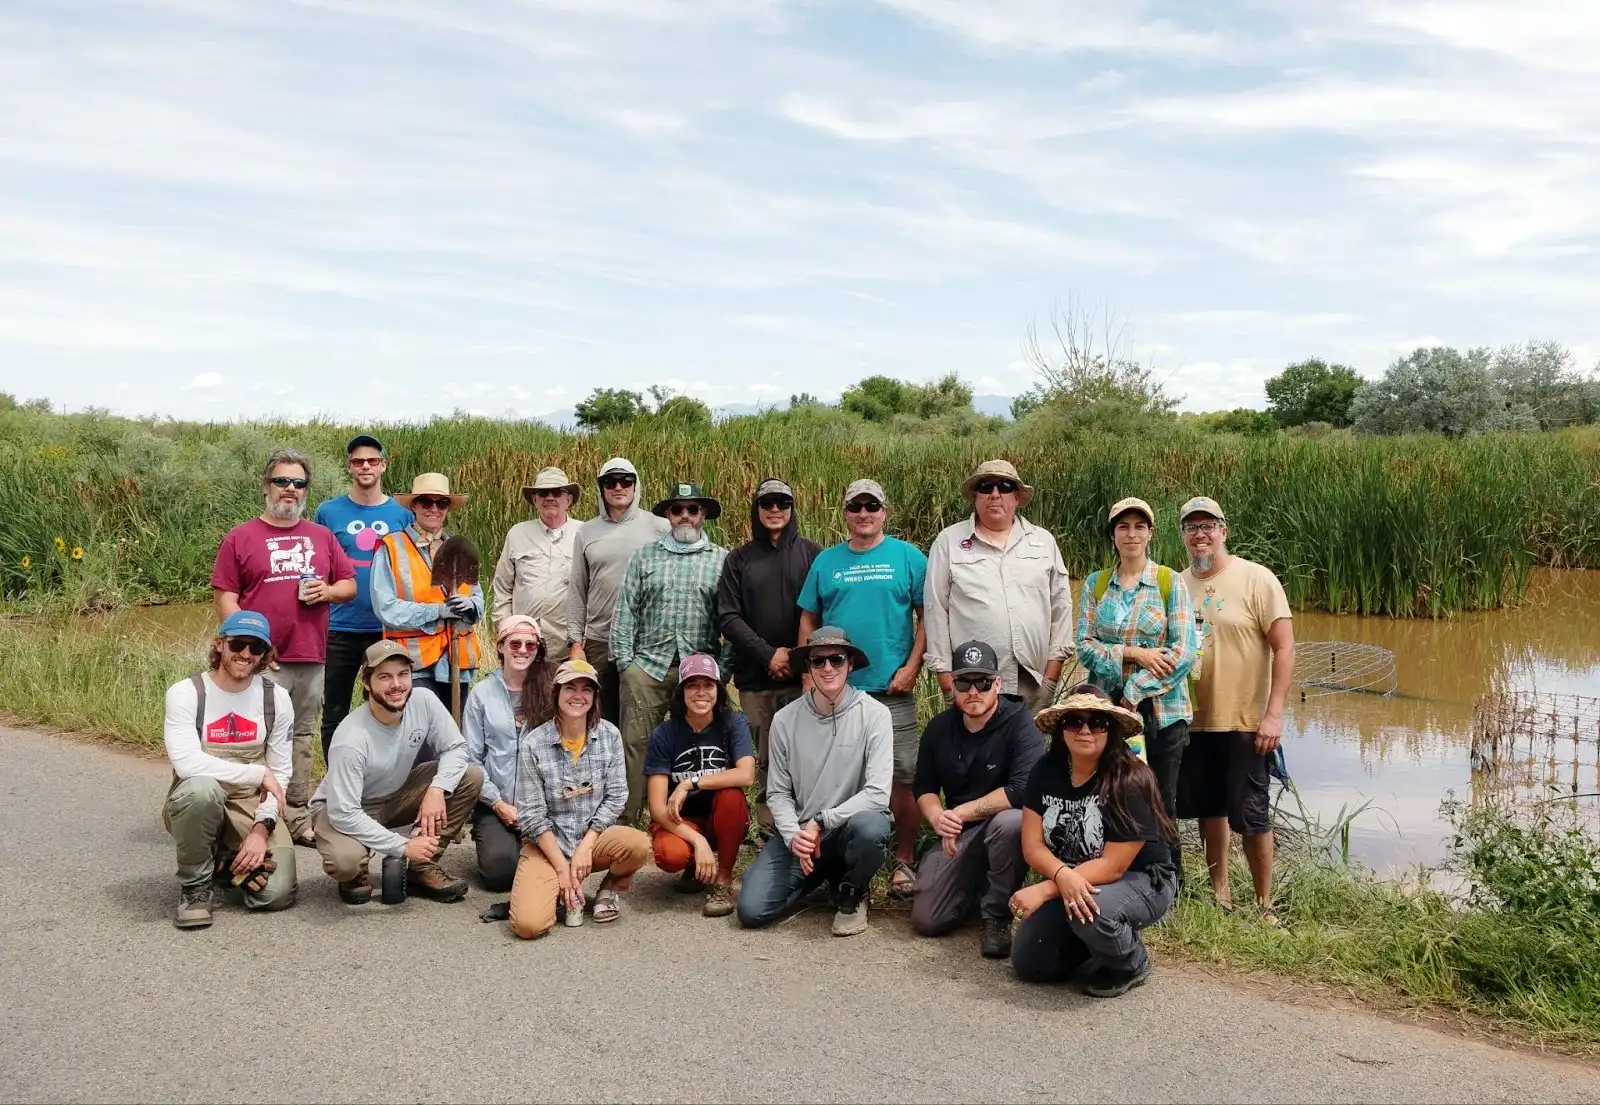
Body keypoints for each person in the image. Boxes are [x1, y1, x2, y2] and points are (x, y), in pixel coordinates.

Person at [212, 448, 356, 846]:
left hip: (309, 656)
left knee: (301, 739)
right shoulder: (240, 537)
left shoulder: (321, 536)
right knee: (251, 737)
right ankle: (245, 816)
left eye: (298, 483)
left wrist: (326, 590)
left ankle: (296, 817)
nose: (290, 489)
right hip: (258, 662)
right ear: (266, 486)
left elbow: (349, 585)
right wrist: (244, 649)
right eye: (282, 481)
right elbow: (226, 595)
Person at [797, 478, 926, 897]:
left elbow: (929, 618)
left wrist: (912, 666)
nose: (864, 513)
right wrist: (808, 672)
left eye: (872, 506)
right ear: (846, 513)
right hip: (839, 691)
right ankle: (846, 863)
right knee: (843, 775)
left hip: (893, 688)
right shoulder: (827, 562)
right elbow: (808, 620)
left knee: (902, 776)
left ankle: (904, 859)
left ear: (884, 511)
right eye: (856, 506)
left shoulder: (907, 557)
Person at [1010, 685, 1179, 998]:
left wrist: (1049, 887)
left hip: (1140, 879)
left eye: (1097, 722)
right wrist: (1063, 876)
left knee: (1095, 912)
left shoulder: (1129, 778)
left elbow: (1114, 866)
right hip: (1075, 876)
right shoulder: (1045, 770)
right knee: (1029, 963)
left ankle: (1131, 959)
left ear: (1110, 729)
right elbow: (1032, 845)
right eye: (1073, 721)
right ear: (1061, 730)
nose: (1085, 730)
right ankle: (1096, 944)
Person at [1177, 496, 1295, 920]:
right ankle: (1220, 894)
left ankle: (1265, 906)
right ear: (1183, 537)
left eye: (1209, 525)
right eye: (1192, 527)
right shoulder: (1174, 584)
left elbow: (1284, 648)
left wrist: (1274, 713)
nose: (1200, 534)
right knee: (1210, 810)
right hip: (1192, 721)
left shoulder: (1257, 579)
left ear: (1224, 531)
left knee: (1253, 815)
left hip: (1246, 721)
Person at [736, 626, 893, 937]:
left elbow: (877, 795)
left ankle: (853, 891)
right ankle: (819, 873)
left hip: (845, 828)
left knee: (871, 828)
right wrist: (796, 836)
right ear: (807, 667)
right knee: (751, 911)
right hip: (803, 831)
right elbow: (778, 792)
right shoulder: (785, 720)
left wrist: (822, 822)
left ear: (850, 664)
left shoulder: (875, 715)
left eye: (836, 659)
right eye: (818, 662)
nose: (828, 668)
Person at [311, 640, 484, 904]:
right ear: (367, 683)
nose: (396, 685)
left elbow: (456, 748)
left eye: (403, 674)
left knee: (469, 776)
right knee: (345, 862)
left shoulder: (424, 701)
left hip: (396, 793)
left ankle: (422, 865)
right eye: (385, 677)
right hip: (344, 806)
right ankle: (356, 872)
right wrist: (401, 845)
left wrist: (438, 789)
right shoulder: (351, 738)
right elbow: (344, 812)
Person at [161, 610, 297, 928]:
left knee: (276, 894)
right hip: (199, 799)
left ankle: (224, 864)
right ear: (220, 645)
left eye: (256, 648)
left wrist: (261, 833)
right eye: (237, 644)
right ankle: (195, 887)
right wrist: (256, 773)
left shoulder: (276, 699)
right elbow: (186, 762)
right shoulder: (186, 693)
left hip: (250, 803)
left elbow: (280, 774)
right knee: (202, 789)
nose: (246, 654)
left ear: (266, 654)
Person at [911, 639, 1044, 959]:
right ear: (953, 684)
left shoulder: (1021, 722)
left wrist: (958, 813)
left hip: (1003, 826)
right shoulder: (939, 728)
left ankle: (997, 916)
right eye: (964, 682)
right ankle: (978, 891)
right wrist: (938, 819)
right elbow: (923, 787)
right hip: (960, 832)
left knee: (1010, 823)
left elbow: (1022, 790)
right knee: (928, 920)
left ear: (998, 683)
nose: (974, 691)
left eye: (983, 682)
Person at [611, 480, 730, 824]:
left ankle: (686, 822)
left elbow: (732, 619)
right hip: (648, 666)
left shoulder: (721, 560)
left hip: (700, 673)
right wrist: (625, 664)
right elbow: (626, 611)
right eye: (677, 510)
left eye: (692, 510)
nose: (685, 517)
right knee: (635, 745)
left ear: (702, 514)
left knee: (698, 748)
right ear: (668, 515)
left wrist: (724, 669)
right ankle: (627, 821)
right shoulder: (645, 556)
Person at [508, 660, 652, 938]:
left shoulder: (609, 735)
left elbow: (617, 795)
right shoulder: (533, 743)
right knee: (528, 926)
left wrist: (587, 846)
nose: (578, 696)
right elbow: (532, 815)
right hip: (547, 847)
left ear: (595, 697)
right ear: (556, 694)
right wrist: (563, 868)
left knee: (638, 845)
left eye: (587, 689)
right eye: (570, 688)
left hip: (593, 840)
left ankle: (608, 889)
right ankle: (558, 889)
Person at [1075, 497, 1198, 823]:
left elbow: (1184, 652)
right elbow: (1085, 646)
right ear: (1112, 535)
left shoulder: (1170, 582)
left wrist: (1135, 690)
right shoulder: (1095, 584)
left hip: (1164, 714)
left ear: (1150, 533)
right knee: (1109, 797)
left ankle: (1165, 873)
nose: (1132, 534)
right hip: (1106, 712)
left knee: (1161, 803)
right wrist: (1132, 654)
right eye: (1123, 527)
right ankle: (1111, 870)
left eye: (1139, 527)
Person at [715, 478, 820, 834]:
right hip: (756, 678)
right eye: (767, 503)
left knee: (805, 754)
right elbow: (728, 616)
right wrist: (767, 655)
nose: (775, 510)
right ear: (756, 510)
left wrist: (795, 660)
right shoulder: (738, 559)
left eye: (782, 503)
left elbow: (822, 611)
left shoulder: (812, 554)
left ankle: (807, 826)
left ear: (791, 509)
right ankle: (769, 829)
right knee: (765, 757)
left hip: (804, 680)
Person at [925, 459, 1072, 713]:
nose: (995, 494)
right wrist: (948, 683)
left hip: (1033, 681)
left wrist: (1051, 678)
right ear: (975, 497)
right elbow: (935, 610)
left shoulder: (1043, 541)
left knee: (1028, 752)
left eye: (1004, 487)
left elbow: (1061, 608)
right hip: (972, 685)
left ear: (1016, 497)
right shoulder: (948, 542)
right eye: (986, 487)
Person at [313, 434, 414, 761]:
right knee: (336, 710)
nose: (366, 466)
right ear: (350, 467)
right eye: (358, 461)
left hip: (387, 629)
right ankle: (334, 782)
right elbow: (319, 567)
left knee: (388, 706)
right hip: (340, 628)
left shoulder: (401, 513)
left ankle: (383, 778)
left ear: (383, 465)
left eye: (372, 460)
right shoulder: (328, 511)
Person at [644, 653, 756, 918]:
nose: (701, 692)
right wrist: (698, 841)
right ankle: (695, 865)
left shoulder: (733, 722)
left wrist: (690, 782)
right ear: (682, 691)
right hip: (681, 820)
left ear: (718, 689)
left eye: (708, 685)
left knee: (731, 796)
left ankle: (723, 880)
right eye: (693, 685)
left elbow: (746, 775)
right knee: (669, 855)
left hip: (722, 817)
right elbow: (657, 807)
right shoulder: (665, 733)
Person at [567, 457, 670, 724]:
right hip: (600, 641)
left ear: (636, 486)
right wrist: (576, 644)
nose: (618, 487)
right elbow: (578, 590)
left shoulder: (659, 527)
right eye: (610, 482)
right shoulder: (586, 532)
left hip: (645, 641)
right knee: (600, 719)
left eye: (626, 481)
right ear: (601, 488)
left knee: (641, 721)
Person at [370, 472, 485, 708]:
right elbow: (385, 607)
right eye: (426, 502)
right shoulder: (391, 546)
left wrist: (471, 606)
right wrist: (437, 611)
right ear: (414, 505)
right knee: (421, 737)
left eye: (441, 503)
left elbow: (479, 599)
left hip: (456, 661)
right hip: (412, 665)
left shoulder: (460, 549)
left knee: (454, 734)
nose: (434, 509)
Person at [462, 615, 556, 893]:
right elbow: (472, 759)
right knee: (499, 876)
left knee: (553, 860)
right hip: (496, 802)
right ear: (500, 646)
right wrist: (498, 804)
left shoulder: (552, 690)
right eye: (515, 643)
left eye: (531, 644)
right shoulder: (481, 694)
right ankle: (501, 840)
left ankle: (530, 846)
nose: (523, 650)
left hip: (542, 805)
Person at [492, 466, 580, 645]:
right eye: (543, 493)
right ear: (535, 499)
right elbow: (502, 589)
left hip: (569, 645)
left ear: (568, 500)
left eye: (556, 492)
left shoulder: (585, 534)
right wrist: (506, 630)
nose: (549, 498)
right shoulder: (517, 534)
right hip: (525, 645)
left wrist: (582, 640)